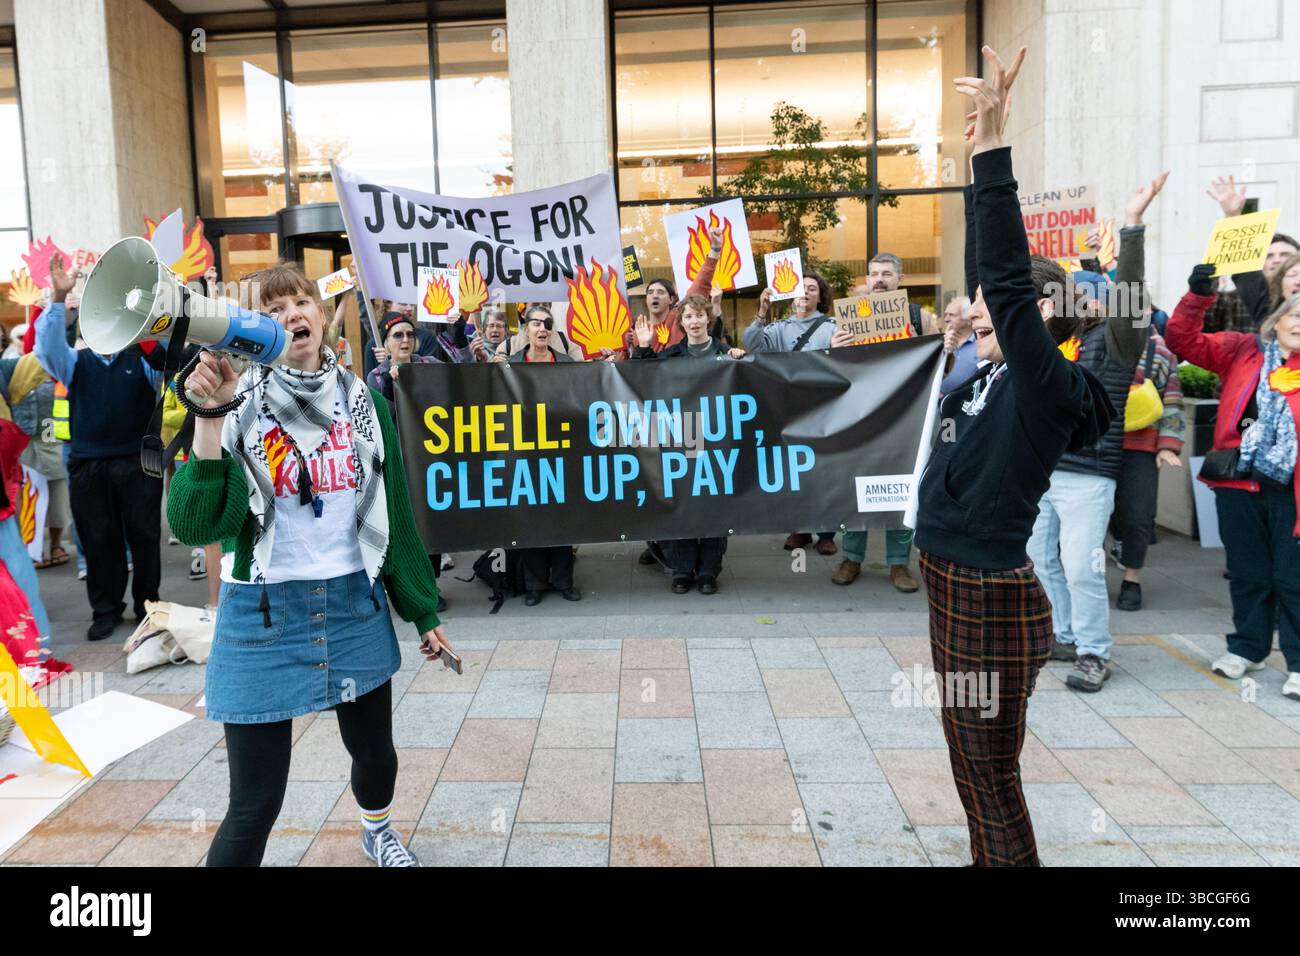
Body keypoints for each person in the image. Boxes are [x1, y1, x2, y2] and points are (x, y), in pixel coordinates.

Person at [170, 261, 456, 867]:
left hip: (352, 602)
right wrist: (209, 415)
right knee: (255, 803)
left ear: (322, 315)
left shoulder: (366, 406)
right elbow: (198, 525)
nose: (291, 315)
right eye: (272, 310)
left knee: (376, 754)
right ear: (255, 332)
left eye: (299, 302)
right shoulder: (237, 403)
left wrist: (422, 609)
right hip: (262, 615)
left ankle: (377, 831)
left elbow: (394, 511)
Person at [916, 45, 1113, 866]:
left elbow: (998, 270)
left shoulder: (1044, 381)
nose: (977, 311)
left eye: (1000, 310)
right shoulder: (993, 377)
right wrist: (962, 346)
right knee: (974, 767)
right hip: (953, 580)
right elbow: (984, 279)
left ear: (1037, 313)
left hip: (985, 594)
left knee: (986, 774)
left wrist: (992, 151)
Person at [1026, 171, 1166, 693]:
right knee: (1042, 560)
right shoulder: (1050, 344)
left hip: (1090, 474)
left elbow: (1129, 291)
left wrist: (1131, 227)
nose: (1082, 302)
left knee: (1081, 567)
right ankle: (1062, 634)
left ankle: (1093, 651)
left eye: (1089, 294)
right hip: (1042, 472)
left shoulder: (1118, 340)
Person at [1165, 274, 1300, 702]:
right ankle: (1248, 649)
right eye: (1293, 314)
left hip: (1293, 490)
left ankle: (1298, 663)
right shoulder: (1245, 351)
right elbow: (1182, 339)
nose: (1299, 322)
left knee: (1292, 577)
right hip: (1240, 482)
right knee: (1248, 572)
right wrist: (1199, 294)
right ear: (1274, 323)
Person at [34, 254, 163, 642]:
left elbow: (170, 353)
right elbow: (47, 348)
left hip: (137, 461)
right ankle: (105, 610)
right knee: (98, 538)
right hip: (88, 465)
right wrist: (58, 300)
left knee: (143, 537)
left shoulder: (142, 358)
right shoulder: (75, 362)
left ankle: (148, 606)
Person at [630, 294, 744, 594]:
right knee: (682, 506)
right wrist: (643, 347)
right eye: (688, 317)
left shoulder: (726, 355)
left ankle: (708, 571)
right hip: (679, 445)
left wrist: (740, 362)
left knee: (714, 507)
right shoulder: (670, 357)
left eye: (699, 316)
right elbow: (641, 379)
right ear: (681, 322)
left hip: (717, 446)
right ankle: (681, 570)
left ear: (709, 318)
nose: (694, 322)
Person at [826, 281, 922, 589]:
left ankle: (899, 565)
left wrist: (918, 344)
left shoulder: (912, 326)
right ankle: (851, 557)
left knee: (898, 492)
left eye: (886, 276)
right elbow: (833, 375)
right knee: (857, 491)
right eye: (874, 277)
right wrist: (836, 349)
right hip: (859, 423)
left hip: (900, 423)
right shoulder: (847, 331)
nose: (880, 282)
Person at [745, 272, 841, 556]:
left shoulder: (833, 326)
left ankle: (826, 532)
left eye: (812, 289)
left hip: (825, 408)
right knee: (796, 470)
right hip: (789, 410)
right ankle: (799, 528)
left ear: (820, 296)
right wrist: (762, 310)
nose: (806, 293)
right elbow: (752, 343)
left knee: (825, 471)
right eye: (801, 288)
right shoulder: (778, 328)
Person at [367, 311, 448, 614]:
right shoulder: (376, 377)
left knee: (435, 523)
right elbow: (380, 419)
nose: (404, 340)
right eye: (397, 336)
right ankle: (411, 588)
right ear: (385, 343)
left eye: (409, 335)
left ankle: (432, 584)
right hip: (400, 464)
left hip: (434, 461)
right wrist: (392, 384)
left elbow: (458, 384)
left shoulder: (431, 366)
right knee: (407, 527)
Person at [506, 308, 581, 605]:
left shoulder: (564, 362)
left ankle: (564, 581)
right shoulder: (510, 364)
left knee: (562, 516)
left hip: (560, 449)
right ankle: (534, 584)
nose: (542, 328)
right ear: (526, 330)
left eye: (547, 324)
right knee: (531, 518)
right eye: (535, 323)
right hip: (525, 451)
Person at [1111, 327, 1185, 611]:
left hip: (1141, 446)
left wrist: (1168, 445)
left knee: (1138, 516)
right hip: (1094, 445)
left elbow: (1173, 401)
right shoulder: (1090, 344)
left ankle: (1132, 579)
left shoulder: (1161, 354)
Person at [0, 349, 71, 568]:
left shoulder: (56, 369)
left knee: (58, 496)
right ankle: (32, 547)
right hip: (23, 441)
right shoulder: (11, 370)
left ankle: (56, 544)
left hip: (52, 440)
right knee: (26, 496)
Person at [1206, 176, 1298, 328]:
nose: (1276, 260)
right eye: (1269, 256)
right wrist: (1232, 218)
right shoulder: (1233, 302)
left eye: (1285, 255)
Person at [863, 252, 927, 335]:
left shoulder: (920, 317)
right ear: (867, 280)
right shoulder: (851, 318)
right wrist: (840, 345)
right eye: (874, 274)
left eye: (887, 274)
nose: (879, 279)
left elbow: (937, 347)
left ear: (900, 279)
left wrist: (917, 341)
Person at [940, 295, 978, 395]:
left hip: (968, 404)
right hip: (940, 401)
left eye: (952, 315)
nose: (946, 319)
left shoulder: (980, 342)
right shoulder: (941, 343)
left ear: (968, 318)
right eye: (945, 314)